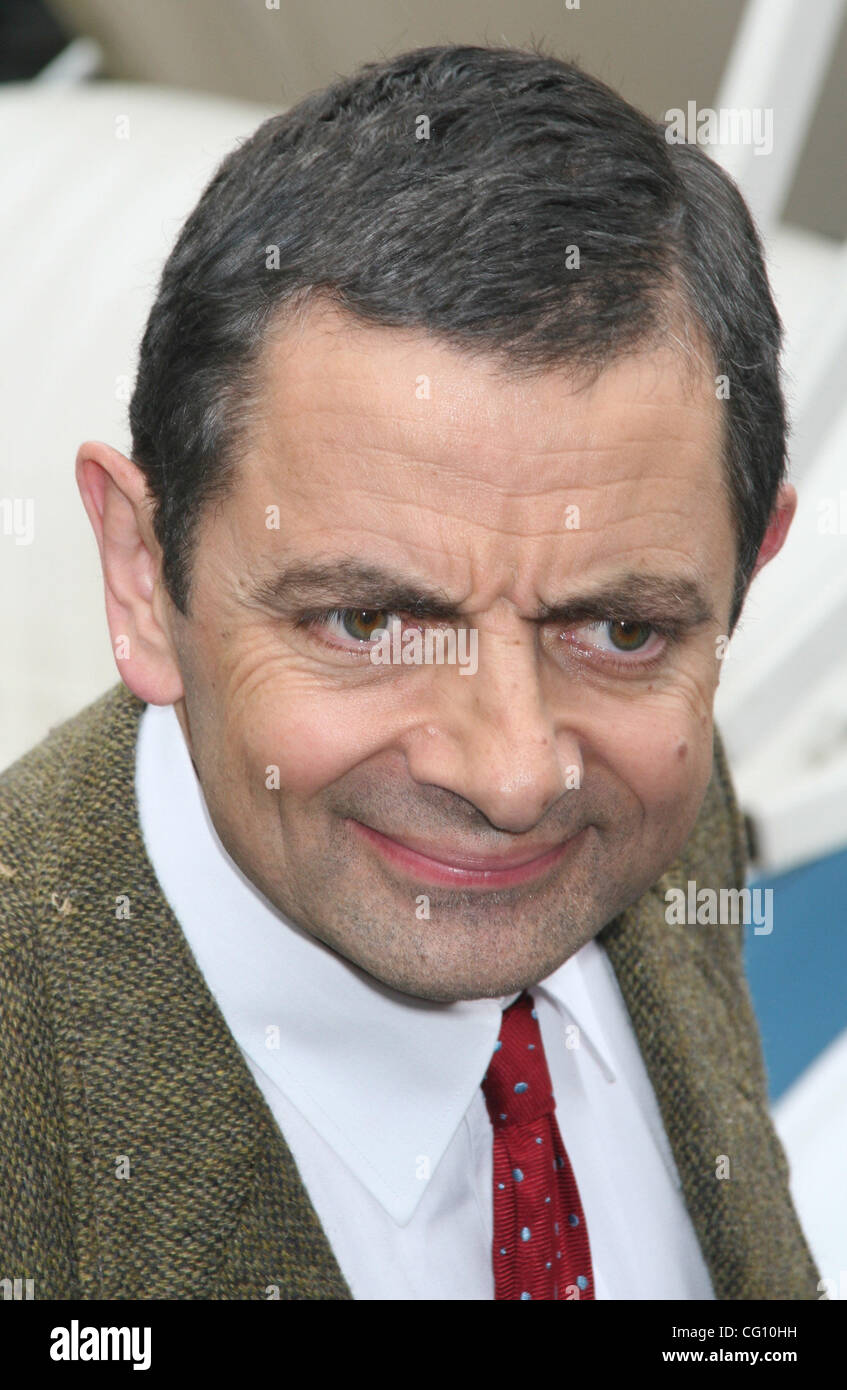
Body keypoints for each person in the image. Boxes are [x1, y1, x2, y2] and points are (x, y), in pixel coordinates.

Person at [0, 43, 820, 1300]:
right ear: (139, 573)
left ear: (741, 580)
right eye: (369, 622)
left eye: (616, 633)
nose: (512, 774)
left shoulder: (665, 806)